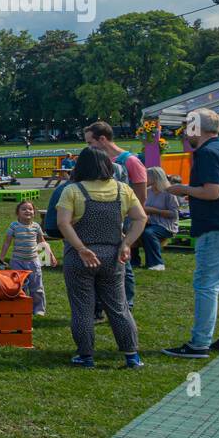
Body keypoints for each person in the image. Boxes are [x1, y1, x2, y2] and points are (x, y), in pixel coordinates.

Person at [163, 109, 219, 357]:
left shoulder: (208, 153)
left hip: (216, 226)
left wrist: (181, 189)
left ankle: (199, 343)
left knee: (206, 285)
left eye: (189, 125)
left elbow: (212, 192)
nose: (186, 131)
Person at [55, 146, 146, 368]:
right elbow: (141, 217)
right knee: (118, 306)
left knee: (82, 307)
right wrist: (127, 244)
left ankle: (85, 355)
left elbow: (62, 223)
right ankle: (131, 355)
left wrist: (81, 248)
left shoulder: (73, 190)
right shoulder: (122, 189)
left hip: (80, 257)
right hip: (113, 255)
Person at [84, 121, 146, 309]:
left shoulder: (130, 161)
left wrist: (128, 226)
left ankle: (127, 302)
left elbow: (141, 197)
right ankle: (104, 302)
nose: (88, 147)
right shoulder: (98, 160)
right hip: (100, 221)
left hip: (122, 220)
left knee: (122, 262)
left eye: (90, 142)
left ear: (102, 139)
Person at [1, 200, 54, 315]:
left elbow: (42, 242)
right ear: (18, 213)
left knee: (37, 287)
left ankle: (38, 310)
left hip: (33, 262)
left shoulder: (36, 227)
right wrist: (1, 258)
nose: (27, 211)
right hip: (17, 262)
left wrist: (50, 256)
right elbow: (6, 243)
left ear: (34, 212)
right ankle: (21, 307)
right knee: (20, 287)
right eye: (23, 209)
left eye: (30, 209)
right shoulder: (14, 226)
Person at [140, 167, 180, 272]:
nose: (144, 178)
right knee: (129, 227)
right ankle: (134, 261)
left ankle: (157, 263)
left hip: (166, 226)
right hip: (150, 222)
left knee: (149, 233)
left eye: (147, 176)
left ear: (155, 177)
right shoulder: (147, 192)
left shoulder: (169, 193)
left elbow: (174, 214)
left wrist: (153, 210)